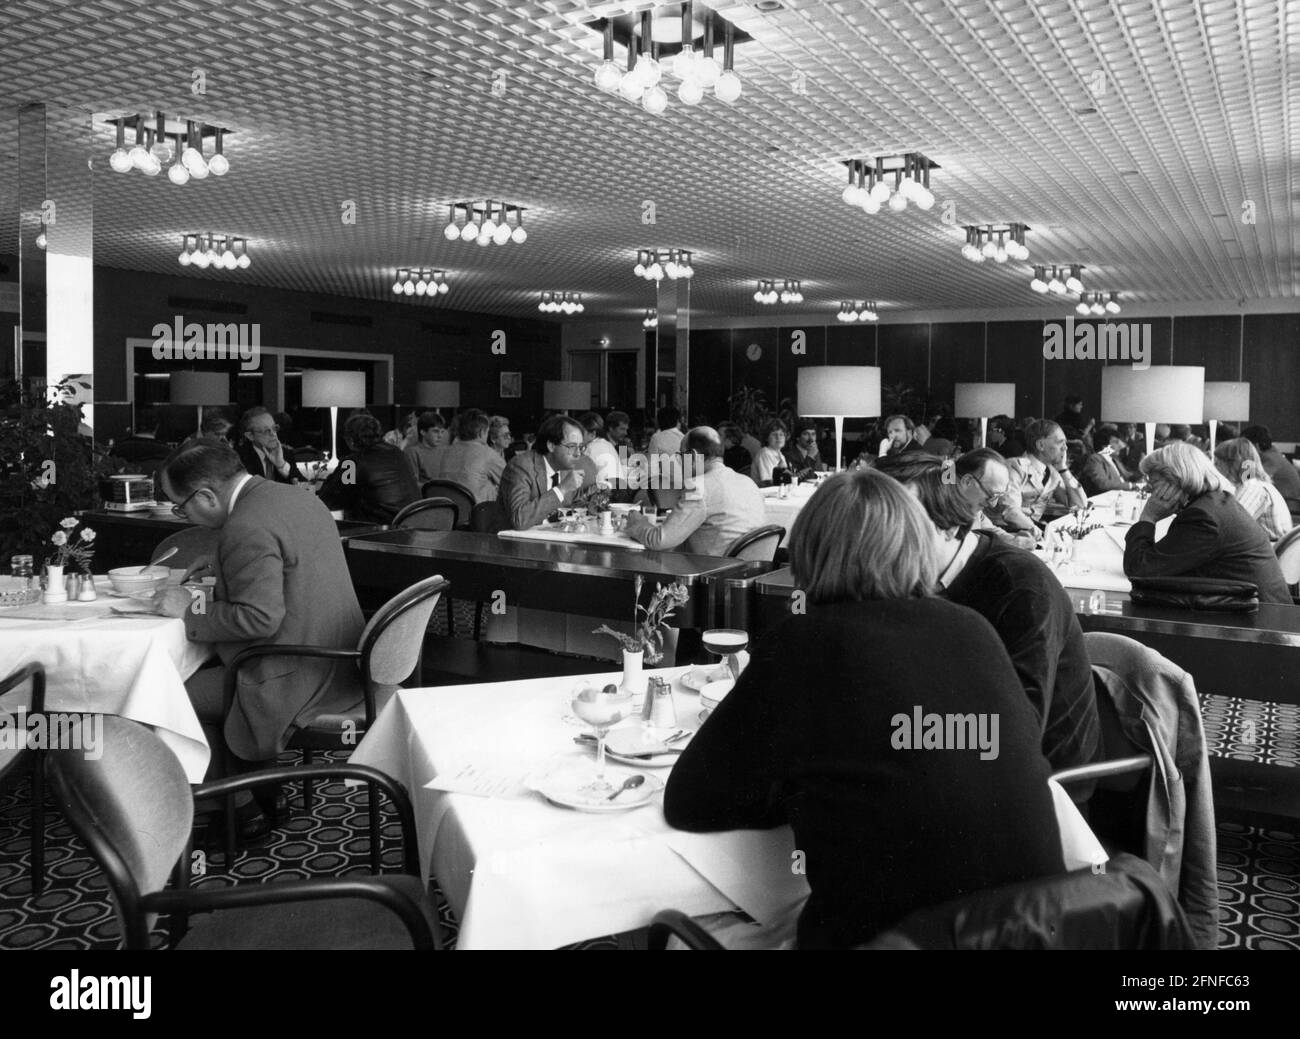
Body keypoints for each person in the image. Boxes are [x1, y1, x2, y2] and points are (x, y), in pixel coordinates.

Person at [663, 469, 1065, 949]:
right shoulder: (974, 630)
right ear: (916, 542)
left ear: (809, 555)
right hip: (1035, 933)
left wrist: (802, 784)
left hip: (892, 943)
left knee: (682, 933)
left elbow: (689, 802)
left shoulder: (803, 642)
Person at [151, 439, 364, 832]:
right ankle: (263, 791)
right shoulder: (295, 497)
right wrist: (220, 563)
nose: (182, 515)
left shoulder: (245, 526)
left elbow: (258, 619)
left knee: (161, 694)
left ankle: (239, 808)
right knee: (204, 673)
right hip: (340, 656)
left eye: (181, 506)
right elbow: (289, 561)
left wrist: (188, 609)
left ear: (206, 496)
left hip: (296, 674)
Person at [873, 451, 1100, 786]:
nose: (878, 541)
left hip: (1043, 785)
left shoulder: (1022, 586)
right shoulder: (904, 578)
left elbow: (1019, 729)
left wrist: (893, 728)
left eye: (900, 525)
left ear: (950, 526)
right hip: (948, 763)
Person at [1124, 442, 1291, 603]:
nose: (1149, 490)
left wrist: (1148, 517)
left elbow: (1139, 570)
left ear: (1175, 480)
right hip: (1262, 612)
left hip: (1260, 621)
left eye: (1153, 483)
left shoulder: (1202, 517)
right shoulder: (1214, 503)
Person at [623, 427, 766, 557]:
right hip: (748, 573)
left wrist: (638, 523)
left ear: (691, 456)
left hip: (712, 572)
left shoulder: (699, 486)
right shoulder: (749, 483)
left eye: (679, 456)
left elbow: (660, 540)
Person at [317, 412, 420, 524]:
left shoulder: (351, 463)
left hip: (378, 530)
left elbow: (329, 499)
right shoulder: (399, 454)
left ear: (350, 440)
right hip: (412, 524)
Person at [497, 414, 589, 529]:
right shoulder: (521, 466)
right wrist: (562, 489)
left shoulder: (565, 468)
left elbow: (576, 504)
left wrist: (593, 504)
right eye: (571, 446)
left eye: (581, 447)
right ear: (551, 446)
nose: (578, 453)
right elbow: (519, 519)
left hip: (553, 539)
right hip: (517, 542)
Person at [996, 419, 1087, 533]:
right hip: (1006, 531)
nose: (1065, 448)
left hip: (1032, 532)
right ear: (1040, 445)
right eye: (1060, 443)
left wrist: (1063, 469)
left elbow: (1080, 505)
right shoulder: (1015, 468)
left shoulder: (1053, 474)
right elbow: (1010, 512)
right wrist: (1040, 531)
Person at [1214, 438, 1293, 542]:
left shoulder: (1253, 488)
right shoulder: (1250, 484)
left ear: (1233, 464)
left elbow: (1229, 524)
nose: (1214, 467)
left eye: (1217, 463)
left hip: (1273, 551)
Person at [430, 408, 505, 503]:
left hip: (451, 512)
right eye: (487, 432)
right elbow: (513, 481)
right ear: (481, 432)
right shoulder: (488, 454)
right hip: (479, 514)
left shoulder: (447, 452)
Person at [1242, 425, 1300, 519]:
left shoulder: (1269, 459)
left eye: (1244, 445)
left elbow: (1248, 484)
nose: (1242, 449)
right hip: (1287, 504)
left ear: (1255, 446)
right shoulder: (1272, 454)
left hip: (1290, 506)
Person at [235, 406, 304, 483]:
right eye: (266, 431)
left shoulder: (286, 453)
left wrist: (281, 465)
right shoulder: (239, 458)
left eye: (274, 428)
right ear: (250, 436)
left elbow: (306, 487)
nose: (273, 434)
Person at [1076, 425, 1139, 495]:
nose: (1121, 446)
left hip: (1122, 496)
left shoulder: (1114, 459)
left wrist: (1144, 472)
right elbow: (1103, 483)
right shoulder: (1094, 459)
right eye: (1116, 442)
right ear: (1104, 446)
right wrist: (1130, 485)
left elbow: (1128, 475)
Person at [403, 411, 447, 484]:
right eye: (435, 431)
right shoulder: (413, 452)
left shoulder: (445, 450)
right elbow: (413, 483)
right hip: (427, 492)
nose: (440, 436)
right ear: (423, 432)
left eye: (442, 432)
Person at [578, 411, 621, 486]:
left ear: (592, 434)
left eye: (580, 432)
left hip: (603, 494)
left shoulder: (590, 449)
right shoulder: (607, 444)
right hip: (617, 492)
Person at [751, 418, 791, 486]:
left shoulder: (781, 455)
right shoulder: (765, 453)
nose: (778, 438)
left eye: (781, 434)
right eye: (774, 434)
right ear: (766, 437)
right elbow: (768, 482)